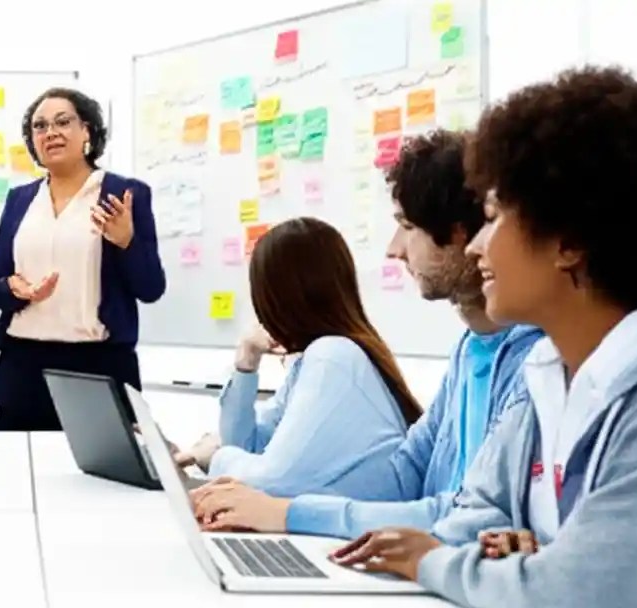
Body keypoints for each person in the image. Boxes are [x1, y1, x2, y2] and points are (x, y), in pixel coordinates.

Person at [327, 66, 637, 608]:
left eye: (496, 215)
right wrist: (509, 557)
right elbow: (471, 521)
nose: (476, 243)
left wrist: (435, 564)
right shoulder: (548, 376)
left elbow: (587, 594)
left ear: (570, 243)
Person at [189, 129, 541, 536]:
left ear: (462, 233)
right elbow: (402, 478)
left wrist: (285, 509)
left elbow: (470, 518)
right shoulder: (469, 350)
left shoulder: (534, 362)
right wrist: (284, 505)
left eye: (407, 225)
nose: (394, 249)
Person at [170, 217, 422, 499]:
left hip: (365, 534)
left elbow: (272, 482)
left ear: (276, 296)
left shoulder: (333, 357)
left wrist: (216, 458)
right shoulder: (315, 361)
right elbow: (246, 444)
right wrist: (246, 363)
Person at [0, 87, 165, 431]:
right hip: (21, 365)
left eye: (63, 122)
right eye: (40, 126)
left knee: (104, 479)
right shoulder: (20, 200)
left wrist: (126, 242)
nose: (50, 132)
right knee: (14, 472)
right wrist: (13, 288)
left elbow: (151, 287)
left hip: (97, 365)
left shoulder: (123, 194)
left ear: (87, 131)